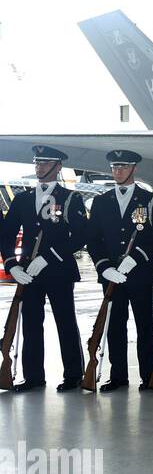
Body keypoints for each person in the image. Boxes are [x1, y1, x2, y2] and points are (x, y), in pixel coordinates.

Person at [0, 145, 89, 391]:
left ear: (58, 166)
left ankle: (73, 375)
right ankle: (33, 377)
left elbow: (80, 235)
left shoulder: (70, 198)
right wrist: (12, 265)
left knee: (65, 321)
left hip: (58, 270)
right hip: (28, 272)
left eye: (45, 162)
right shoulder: (23, 198)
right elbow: (5, 236)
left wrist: (49, 256)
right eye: (37, 162)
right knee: (30, 323)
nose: (39, 167)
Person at [85, 149, 153, 391]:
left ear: (134, 169)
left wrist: (135, 258)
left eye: (123, 167)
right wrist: (104, 267)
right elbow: (93, 238)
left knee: (144, 326)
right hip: (111, 276)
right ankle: (117, 375)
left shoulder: (150, 200)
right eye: (114, 167)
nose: (117, 171)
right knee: (115, 326)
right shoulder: (100, 201)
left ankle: (149, 375)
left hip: (140, 274)